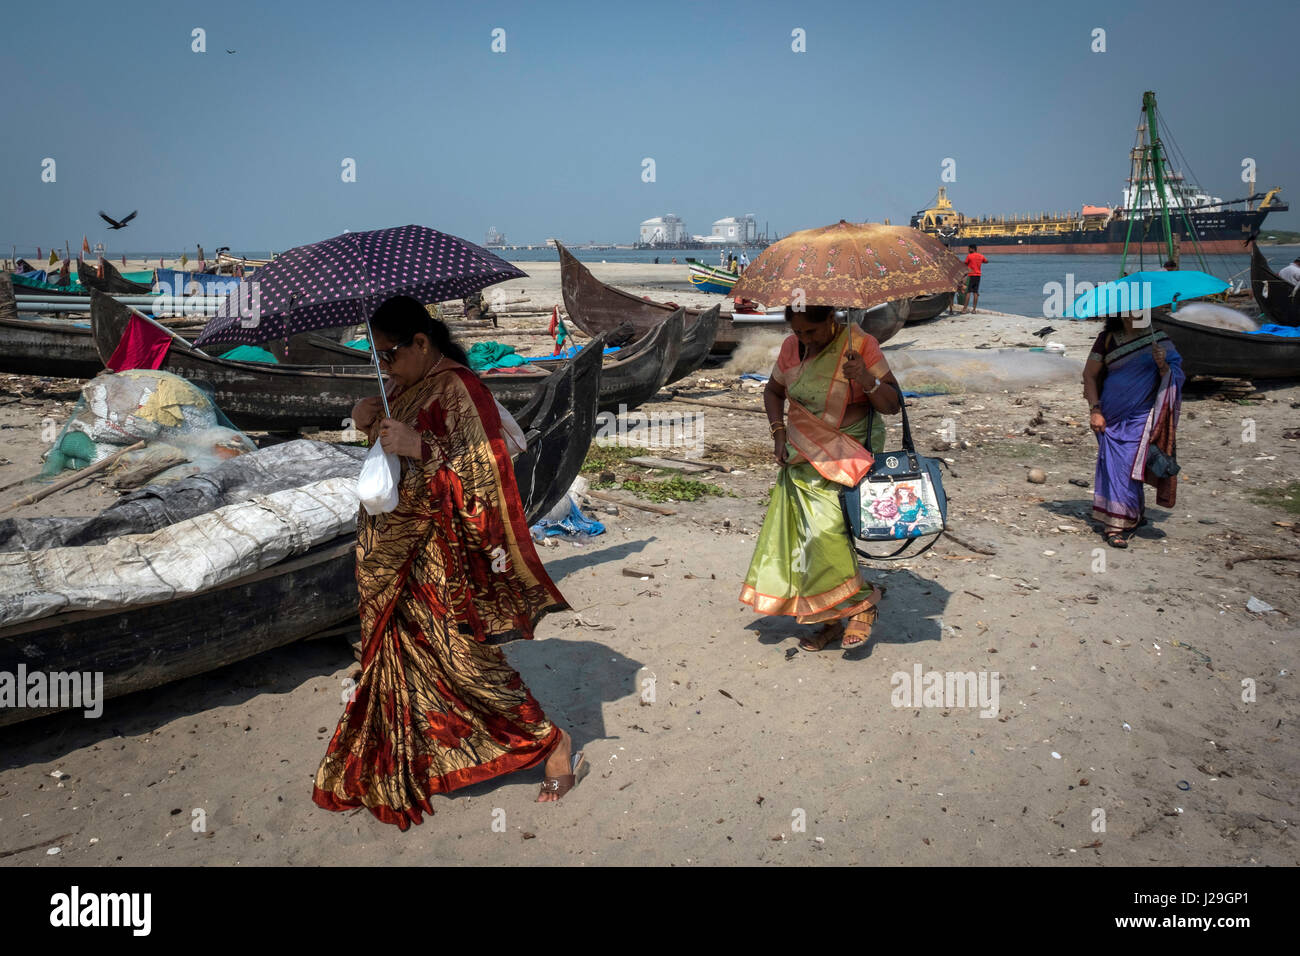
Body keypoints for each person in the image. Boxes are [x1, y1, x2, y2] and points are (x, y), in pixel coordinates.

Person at [313, 295, 586, 830]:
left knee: (463, 660)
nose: (385, 365)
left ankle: (552, 742)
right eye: (378, 357)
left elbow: (489, 476)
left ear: (421, 342)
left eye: (390, 354)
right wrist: (364, 417)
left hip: (439, 559)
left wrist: (422, 448)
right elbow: (388, 465)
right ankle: (427, 755)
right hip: (390, 556)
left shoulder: (463, 389)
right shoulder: (402, 384)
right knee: (404, 663)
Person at [740, 305, 902, 652]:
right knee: (803, 536)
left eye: (810, 332)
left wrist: (866, 379)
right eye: (798, 332)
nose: (804, 340)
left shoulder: (860, 344)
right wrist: (778, 432)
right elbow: (773, 392)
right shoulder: (789, 349)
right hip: (801, 450)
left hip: (849, 450)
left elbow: (892, 404)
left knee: (825, 529)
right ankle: (827, 618)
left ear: (831, 319)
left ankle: (861, 605)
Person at [1081, 309, 1185, 549]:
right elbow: (1089, 375)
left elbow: (1177, 375)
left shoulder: (1159, 339)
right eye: (1127, 311)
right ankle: (1131, 513)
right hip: (1108, 414)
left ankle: (1116, 525)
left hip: (1142, 414)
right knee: (1114, 464)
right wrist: (1095, 410)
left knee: (1129, 464)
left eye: (1138, 310)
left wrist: (1163, 367)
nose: (1132, 315)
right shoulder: (1106, 340)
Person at [962, 244, 988, 313]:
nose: (968, 250)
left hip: (971, 275)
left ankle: (964, 309)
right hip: (978, 276)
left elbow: (965, 264)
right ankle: (974, 310)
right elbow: (986, 261)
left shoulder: (969, 256)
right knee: (975, 292)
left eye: (969, 249)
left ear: (972, 249)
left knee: (968, 292)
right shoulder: (981, 256)